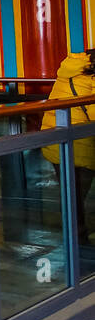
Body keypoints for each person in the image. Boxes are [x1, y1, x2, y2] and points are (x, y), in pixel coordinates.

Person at [42, 50, 95, 245]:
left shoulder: (72, 68)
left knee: (72, 195)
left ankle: (75, 241)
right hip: (78, 144)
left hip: (56, 139)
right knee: (77, 196)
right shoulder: (91, 76)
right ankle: (78, 244)